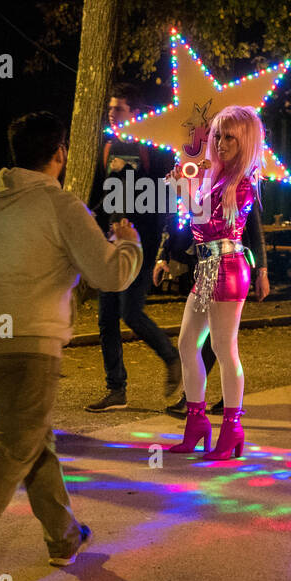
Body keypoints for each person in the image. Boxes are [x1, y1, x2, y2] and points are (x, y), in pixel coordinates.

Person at [0, 112, 141, 581]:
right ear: (60, 153)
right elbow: (109, 275)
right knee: (13, 451)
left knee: (31, 440)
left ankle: (64, 536)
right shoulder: (58, 202)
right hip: (29, 343)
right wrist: (129, 244)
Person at [165, 105, 265, 461]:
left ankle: (232, 427)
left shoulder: (243, 184)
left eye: (229, 137)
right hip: (208, 267)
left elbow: (208, 224)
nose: (220, 144)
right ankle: (197, 422)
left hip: (228, 265)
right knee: (186, 343)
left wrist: (184, 191)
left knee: (224, 349)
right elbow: (198, 223)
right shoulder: (218, 178)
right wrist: (189, 187)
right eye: (218, 136)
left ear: (246, 142)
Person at [85, 83, 182, 412]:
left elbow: (162, 196)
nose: (112, 114)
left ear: (135, 114)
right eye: (111, 109)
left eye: (119, 109)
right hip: (110, 244)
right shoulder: (108, 145)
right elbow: (104, 191)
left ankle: (172, 357)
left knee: (131, 311)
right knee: (106, 318)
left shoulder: (150, 148)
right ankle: (116, 388)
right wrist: (90, 218)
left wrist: (152, 240)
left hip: (140, 244)